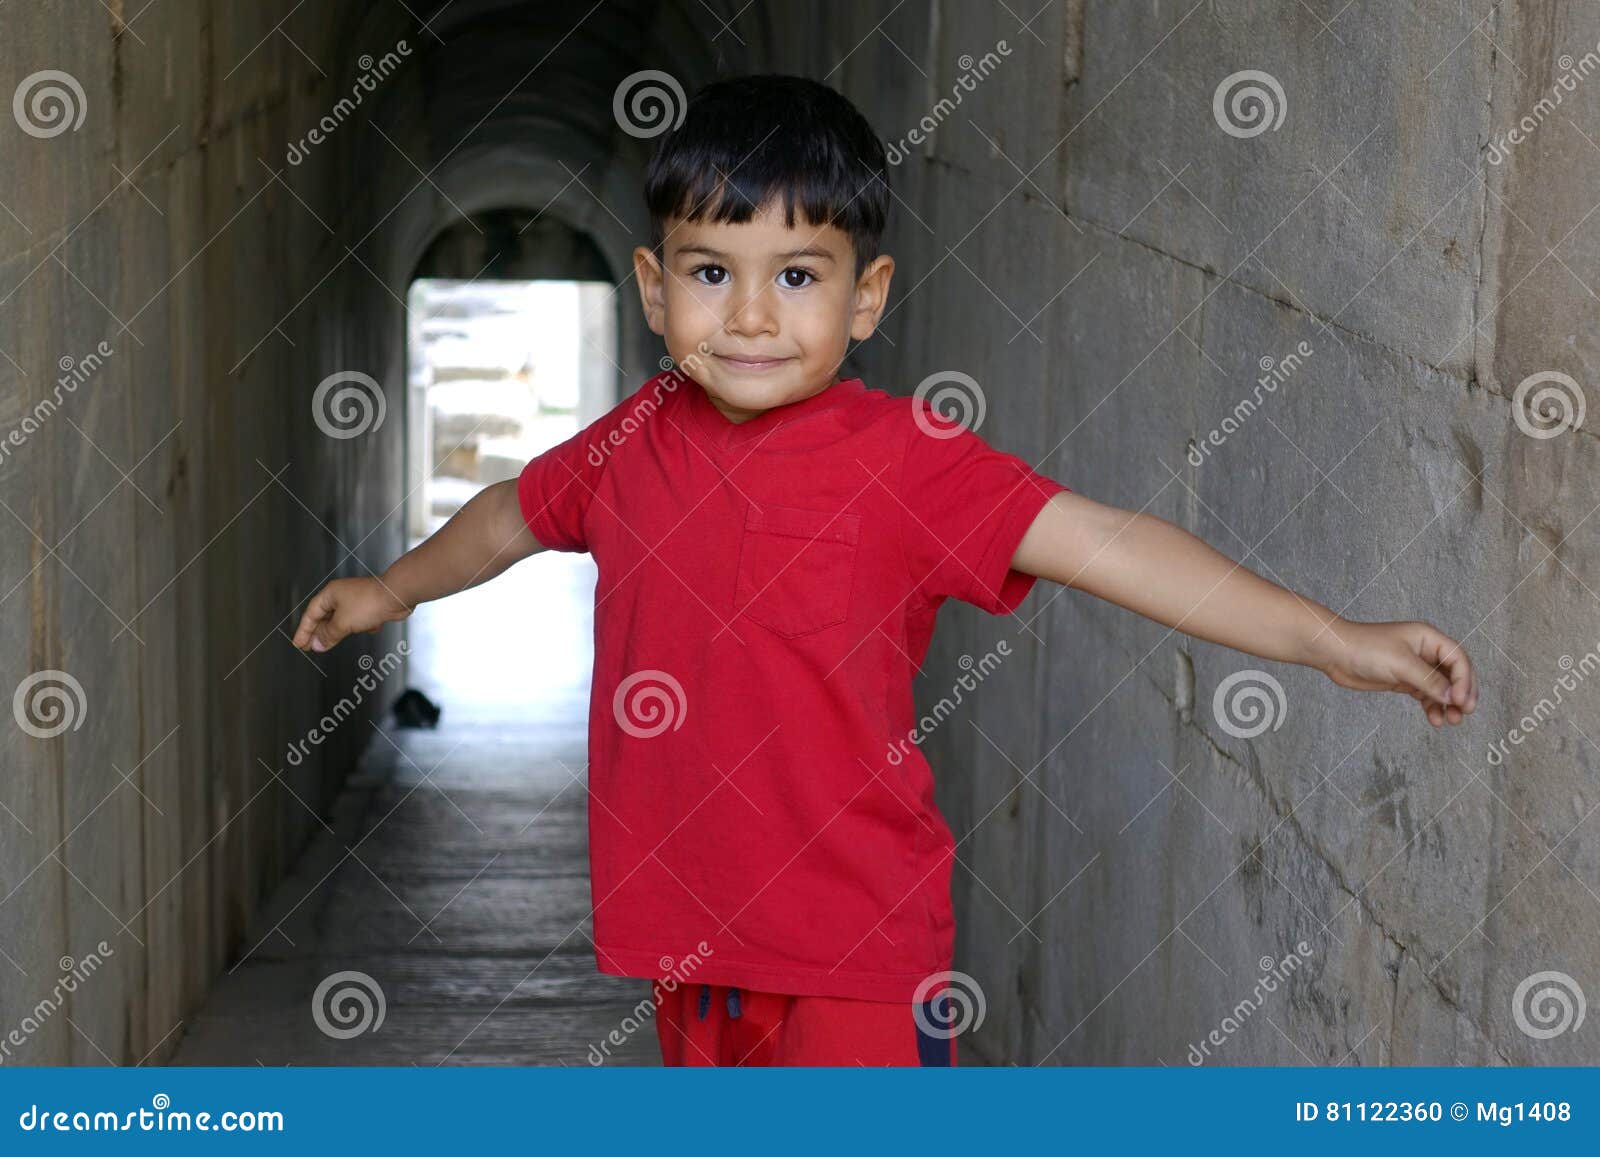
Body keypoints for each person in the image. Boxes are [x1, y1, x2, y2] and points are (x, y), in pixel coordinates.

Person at [292, 73, 1477, 1066]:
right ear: (653, 289)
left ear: (866, 297)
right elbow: (509, 514)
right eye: (711, 272)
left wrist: (1329, 638)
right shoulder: (626, 445)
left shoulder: (909, 462)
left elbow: (1110, 542)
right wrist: (391, 590)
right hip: (687, 947)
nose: (751, 313)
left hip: (858, 954)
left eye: (797, 275)